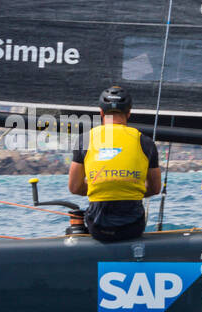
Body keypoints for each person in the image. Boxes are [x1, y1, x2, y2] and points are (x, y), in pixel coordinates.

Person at [68, 86, 161, 241]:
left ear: (101, 113)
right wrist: (126, 188)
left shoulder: (85, 139)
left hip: (98, 228)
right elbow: (155, 188)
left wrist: (102, 186)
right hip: (132, 227)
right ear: (129, 112)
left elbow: (74, 187)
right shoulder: (145, 142)